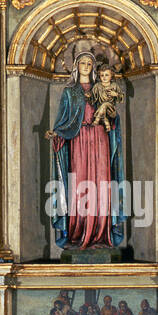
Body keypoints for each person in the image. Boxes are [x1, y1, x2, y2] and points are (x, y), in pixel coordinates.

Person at [45, 50, 126, 250]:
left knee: (102, 183)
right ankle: (77, 232)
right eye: (83, 63)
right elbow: (64, 120)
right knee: (79, 184)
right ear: (76, 67)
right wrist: (57, 134)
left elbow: (113, 113)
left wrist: (112, 117)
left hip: (100, 138)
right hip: (79, 139)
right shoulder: (69, 92)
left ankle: (101, 233)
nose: (86, 67)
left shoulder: (101, 88)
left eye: (90, 64)